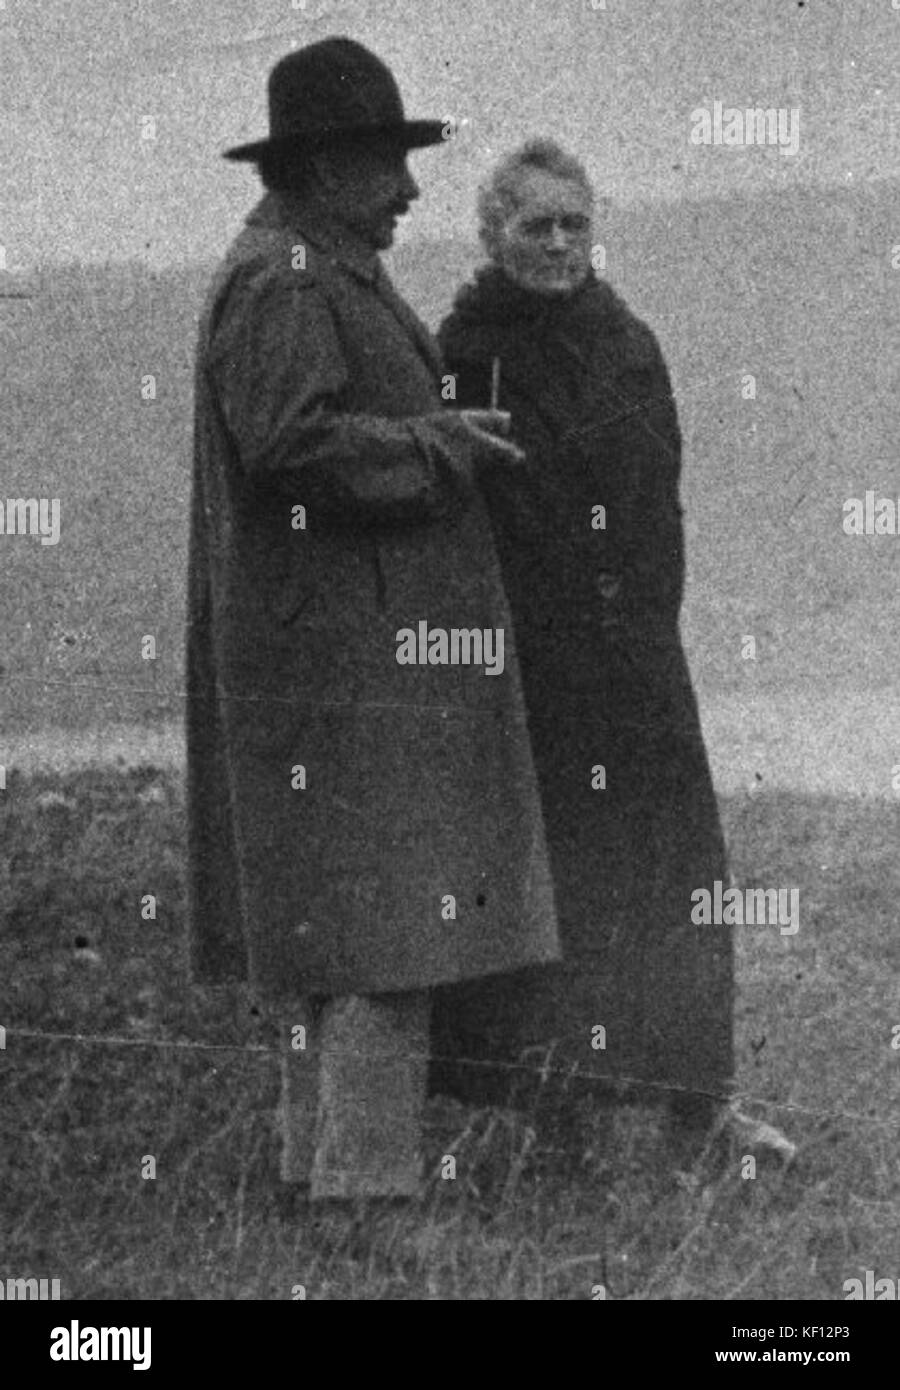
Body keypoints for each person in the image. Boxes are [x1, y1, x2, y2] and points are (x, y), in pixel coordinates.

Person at [185, 43, 560, 1206]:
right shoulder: (292, 276)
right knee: (380, 934)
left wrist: (431, 434)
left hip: (336, 659)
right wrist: (439, 446)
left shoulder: (307, 263)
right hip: (340, 667)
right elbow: (292, 449)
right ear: (328, 165)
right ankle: (366, 1206)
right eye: (388, 165)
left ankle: (326, 1182)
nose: (407, 190)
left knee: (346, 939)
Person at [433, 138, 772, 1165]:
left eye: (575, 223)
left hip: (635, 656)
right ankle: (550, 1114)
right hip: (531, 664)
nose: (559, 243)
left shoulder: (629, 342)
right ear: (495, 234)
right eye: (535, 224)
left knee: (673, 868)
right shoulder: (465, 351)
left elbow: (658, 501)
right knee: (553, 882)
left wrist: (647, 623)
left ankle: (695, 1109)